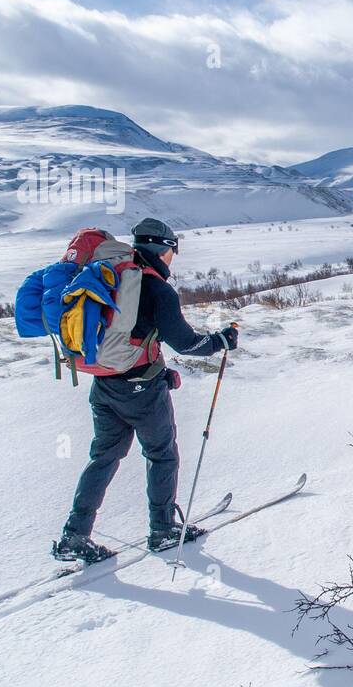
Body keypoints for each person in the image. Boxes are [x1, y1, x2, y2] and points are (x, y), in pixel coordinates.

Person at [54, 217, 238, 563]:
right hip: (141, 389)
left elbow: (129, 336)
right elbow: (185, 342)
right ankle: (163, 529)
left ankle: (74, 535)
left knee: (104, 457)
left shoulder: (113, 274)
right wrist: (221, 341)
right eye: (172, 252)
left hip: (105, 383)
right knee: (162, 454)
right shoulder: (156, 288)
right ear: (163, 250)